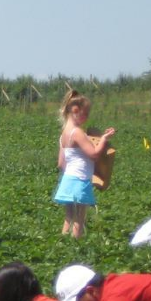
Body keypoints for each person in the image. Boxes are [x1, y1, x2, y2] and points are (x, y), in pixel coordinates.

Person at [53, 90, 115, 238]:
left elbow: (61, 163)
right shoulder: (77, 133)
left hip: (67, 180)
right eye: (85, 113)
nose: (86, 118)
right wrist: (103, 140)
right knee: (79, 218)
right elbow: (93, 154)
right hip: (80, 180)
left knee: (69, 217)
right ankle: (76, 246)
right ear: (75, 110)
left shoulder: (64, 134)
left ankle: (63, 245)